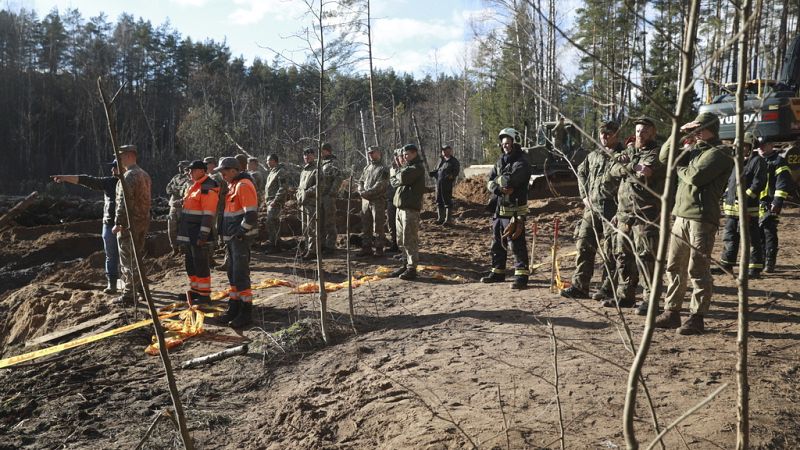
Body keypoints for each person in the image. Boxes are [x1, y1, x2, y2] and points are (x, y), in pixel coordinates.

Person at [654, 112, 734, 335]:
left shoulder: (720, 152)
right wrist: (679, 133)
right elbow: (664, 157)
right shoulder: (694, 149)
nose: (697, 132)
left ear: (712, 129)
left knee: (697, 269)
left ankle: (696, 317)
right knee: (674, 266)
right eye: (695, 128)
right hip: (680, 215)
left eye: (701, 128)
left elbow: (696, 176)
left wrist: (679, 167)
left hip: (702, 218)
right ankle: (672, 312)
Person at [561, 120, 624, 301]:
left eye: (608, 133)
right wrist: (584, 196)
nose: (604, 136)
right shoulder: (594, 155)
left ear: (616, 134)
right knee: (584, 245)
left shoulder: (623, 156)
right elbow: (581, 173)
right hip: (592, 209)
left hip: (612, 209)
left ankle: (608, 287)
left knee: (611, 250)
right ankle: (580, 286)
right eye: (602, 133)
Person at [606, 117, 665, 311]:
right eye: (638, 131)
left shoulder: (656, 152)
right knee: (623, 255)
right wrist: (630, 165)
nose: (640, 134)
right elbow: (612, 170)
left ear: (653, 133)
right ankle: (626, 295)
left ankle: (651, 300)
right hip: (624, 214)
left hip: (645, 214)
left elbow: (645, 172)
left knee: (646, 257)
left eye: (645, 131)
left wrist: (628, 166)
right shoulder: (630, 151)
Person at [51, 160, 120, 294]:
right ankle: (112, 284)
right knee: (111, 255)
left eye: (115, 168)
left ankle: (136, 285)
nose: (112, 171)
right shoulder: (109, 182)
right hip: (109, 223)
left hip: (125, 224)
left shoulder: (132, 181)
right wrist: (65, 178)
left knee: (129, 255)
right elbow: (86, 180)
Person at [480, 128, 532, 290]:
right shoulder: (500, 161)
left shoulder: (522, 162)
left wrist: (500, 182)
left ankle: (521, 276)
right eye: (503, 144)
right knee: (496, 243)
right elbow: (490, 181)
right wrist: (498, 186)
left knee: (516, 244)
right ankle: (498, 272)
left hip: (514, 211)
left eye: (508, 143)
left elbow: (509, 182)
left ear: (515, 143)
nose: (505, 146)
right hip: (499, 209)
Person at [215, 157, 258, 328]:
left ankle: (246, 312)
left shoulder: (243, 185)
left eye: (223, 171)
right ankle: (234, 307)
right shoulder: (233, 185)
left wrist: (241, 233)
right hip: (233, 239)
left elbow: (251, 215)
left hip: (240, 239)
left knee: (240, 275)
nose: (222, 175)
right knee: (232, 274)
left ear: (233, 170)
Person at [719, 131, 767, 278]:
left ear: (751, 146)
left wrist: (745, 197)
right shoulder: (736, 161)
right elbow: (731, 181)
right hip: (732, 209)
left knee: (751, 239)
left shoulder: (757, 161)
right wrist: (727, 195)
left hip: (748, 209)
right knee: (729, 237)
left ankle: (754, 269)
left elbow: (759, 183)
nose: (740, 148)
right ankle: (727, 265)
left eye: (744, 146)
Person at [112, 145, 152, 305]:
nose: (119, 160)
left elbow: (123, 202)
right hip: (143, 221)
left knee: (128, 260)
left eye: (121, 157)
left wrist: (119, 223)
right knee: (137, 257)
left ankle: (129, 295)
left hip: (130, 224)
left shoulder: (128, 176)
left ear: (129, 156)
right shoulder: (145, 175)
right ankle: (142, 288)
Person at [177, 160, 219, 306]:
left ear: (201, 171)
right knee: (191, 263)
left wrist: (203, 235)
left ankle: (204, 295)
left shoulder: (208, 187)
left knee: (201, 264)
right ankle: (195, 291)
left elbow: (208, 214)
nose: (189, 173)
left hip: (198, 234)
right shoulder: (194, 186)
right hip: (190, 233)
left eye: (192, 170)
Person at [388, 144, 426, 280]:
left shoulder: (417, 168)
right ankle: (405, 263)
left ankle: (412, 267)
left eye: (407, 154)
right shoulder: (407, 168)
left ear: (415, 153)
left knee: (409, 239)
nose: (404, 157)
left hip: (410, 208)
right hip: (401, 207)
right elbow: (394, 182)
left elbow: (402, 178)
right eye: (403, 155)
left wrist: (394, 174)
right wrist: (396, 176)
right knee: (401, 239)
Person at [757, 136, 793, 273]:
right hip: (756, 204)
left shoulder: (778, 162)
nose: (760, 147)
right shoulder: (756, 160)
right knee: (757, 235)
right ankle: (759, 261)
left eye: (763, 145)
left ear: (771, 145)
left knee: (769, 233)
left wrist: (777, 203)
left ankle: (769, 263)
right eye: (759, 145)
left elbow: (782, 184)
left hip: (769, 204)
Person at [357, 146, 390, 257]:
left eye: (373, 152)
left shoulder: (383, 169)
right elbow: (360, 181)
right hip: (365, 201)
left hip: (377, 201)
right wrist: (361, 190)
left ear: (378, 153)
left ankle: (379, 248)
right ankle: (366, 247)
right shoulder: (367, 168)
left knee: (378, 225)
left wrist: (368, 192)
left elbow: (381, 184)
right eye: (369, 153)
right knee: (366, 225)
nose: (370, 154)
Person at [205, 156, 228, 268]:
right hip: (214, 208)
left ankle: (212, 256)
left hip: (218, 208)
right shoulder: (210, 176)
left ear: (213, 164)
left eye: (207, 163)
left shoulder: (217, 177)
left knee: (215, 231)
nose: (206, 165)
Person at [263, 153, 288, 252]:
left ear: (274, 161)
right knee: (272, 223)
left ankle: (275, 245)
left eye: (269, 160)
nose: (267, 162)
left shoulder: (280, 172)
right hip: (270, 202)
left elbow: (283, 187)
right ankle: (274, 243)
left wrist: (276, 200)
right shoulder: (272, 172)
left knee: (272, 222)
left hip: (275, 202)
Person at [430, 144, 460, 225]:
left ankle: (448, 220)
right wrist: (433, 173)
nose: (443, 151)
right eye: (442, 150)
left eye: (445, 150)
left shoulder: (454, 161)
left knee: (447, 201)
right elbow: (437, 169)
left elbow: (456, 172)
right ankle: (440, 218)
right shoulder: (441, 160)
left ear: (449, 150)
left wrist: (450, 177)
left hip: (446, 184)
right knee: (439, 201)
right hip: (438, 183)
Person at [319, 143, 342, 253]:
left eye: (322, 150)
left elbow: (338, 179)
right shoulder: (320, 163)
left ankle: (330, 245)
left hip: (328, 196)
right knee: (320, 221)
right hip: (319, 197)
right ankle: (322, 243)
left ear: (327, 150)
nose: (321, 152)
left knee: (329, 221)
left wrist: (332, 193)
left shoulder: (333, 163)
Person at [297, 148, 319, 259]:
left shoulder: (317, 169)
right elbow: (300, 187)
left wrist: (307, 192)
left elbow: (319, 186)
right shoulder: (304, 170)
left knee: (311, 228)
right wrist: (298, 195)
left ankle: (312, 251)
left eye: (309, 155)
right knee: (304, 228)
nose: (307, 157)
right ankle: (306, 249)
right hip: (303, 203)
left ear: (313, 156)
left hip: (311, 203)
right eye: (305, 156)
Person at [166, 160, 190, 255]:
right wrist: (177, 189)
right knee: (171, 228)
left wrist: (176, 188)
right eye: (179, 166)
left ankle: (183, 248)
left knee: (182, 228)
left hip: (183, 206)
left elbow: (184, 190)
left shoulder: (189, 178)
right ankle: (174, 248)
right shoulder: (175, 177)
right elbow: (168, 188)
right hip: (173, 205)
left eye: (182, 166)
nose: (180, 168)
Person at [385, 148, 402, 253]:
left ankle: (402, 246)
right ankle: (394, 244)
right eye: (395, 156)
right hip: (391, 199)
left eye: (398, 156)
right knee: (391, 223)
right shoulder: (390, 169)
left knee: (401, 225)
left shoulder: (405, 169)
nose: (396, 158)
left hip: (401, 201)